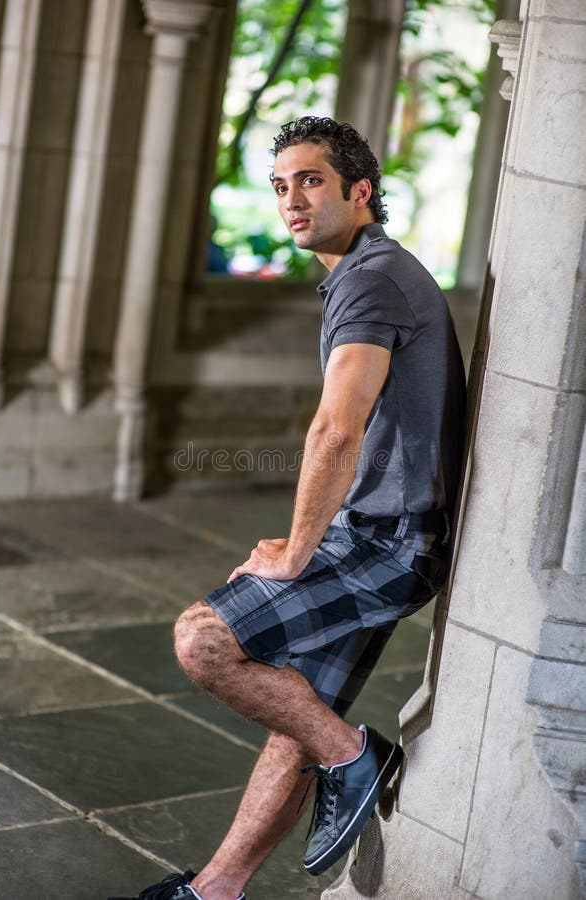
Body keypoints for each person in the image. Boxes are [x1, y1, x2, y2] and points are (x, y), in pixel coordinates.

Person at [109, 116, 466, 900]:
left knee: (204, 641)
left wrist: (299, 553)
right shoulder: (368, 272)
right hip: (380, 532)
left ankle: (353, 757)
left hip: (388, 546)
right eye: (279, 186)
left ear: (360, 191)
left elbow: (336, 428)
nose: (290, 199)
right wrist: (313, 536)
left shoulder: (371, 279)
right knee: (297, 714)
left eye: (310, 180)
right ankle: (215, 892)